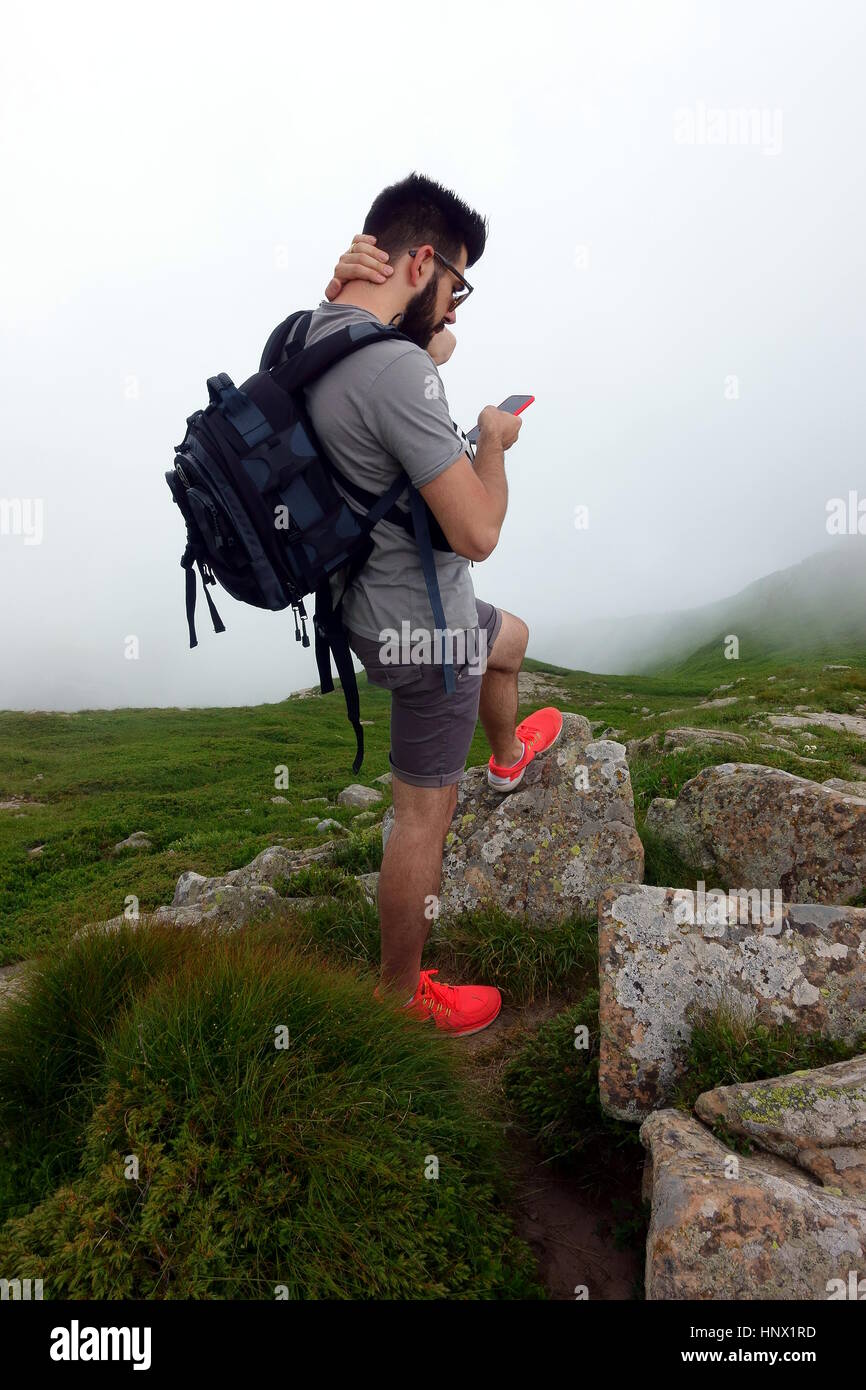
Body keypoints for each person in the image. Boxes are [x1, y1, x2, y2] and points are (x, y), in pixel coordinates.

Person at [284, 174, 563, 1037]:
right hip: (425, 637)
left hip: (365, 609)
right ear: (422, 262)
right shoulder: (397, 374)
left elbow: (371, 403)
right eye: (456, 286)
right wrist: (490, 437)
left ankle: (508, 754)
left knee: (510, 638)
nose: (455, 307)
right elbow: (476, 533)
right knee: (420, 815)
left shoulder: (313, 329)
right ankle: (401, 998)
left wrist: (417, 342)